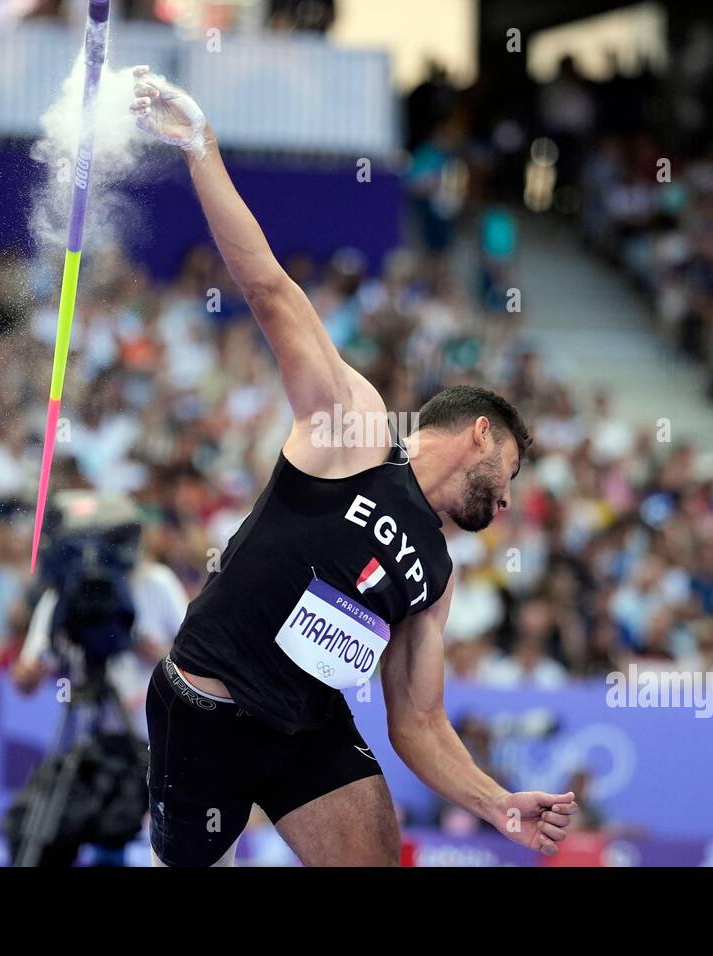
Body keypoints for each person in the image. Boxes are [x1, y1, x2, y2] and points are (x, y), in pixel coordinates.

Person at [130, 67, 578, 866]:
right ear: (479, 434)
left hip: (306, 725)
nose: (508, 499)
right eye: (510, 471)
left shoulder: (438, 576)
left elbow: (418, 723)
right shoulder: (358, 428)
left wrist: (496, 801)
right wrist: (200, 146)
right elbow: (270, 290)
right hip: (210, 703)